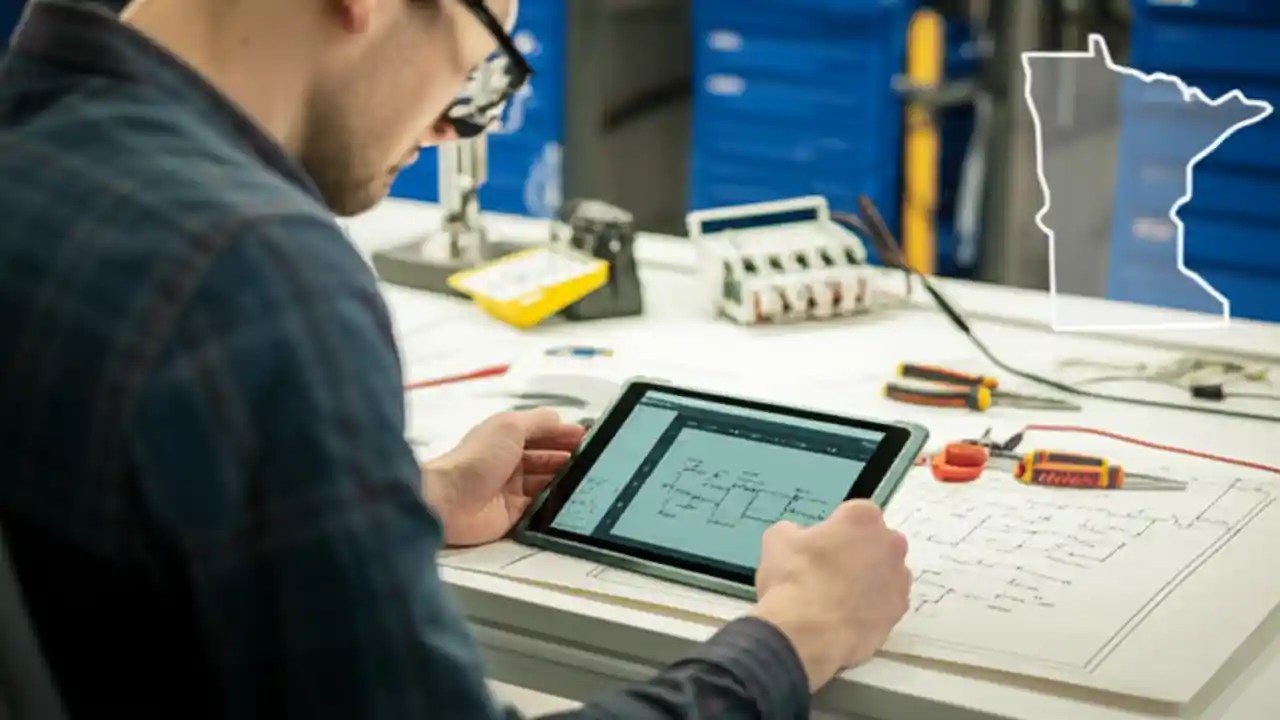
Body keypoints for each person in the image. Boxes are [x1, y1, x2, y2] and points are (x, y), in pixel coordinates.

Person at [0, 0, 913, 718]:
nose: (452, 125)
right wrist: (797, 637)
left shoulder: (37, 149)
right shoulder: (252, 270)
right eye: (483, 64)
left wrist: (404, 498)